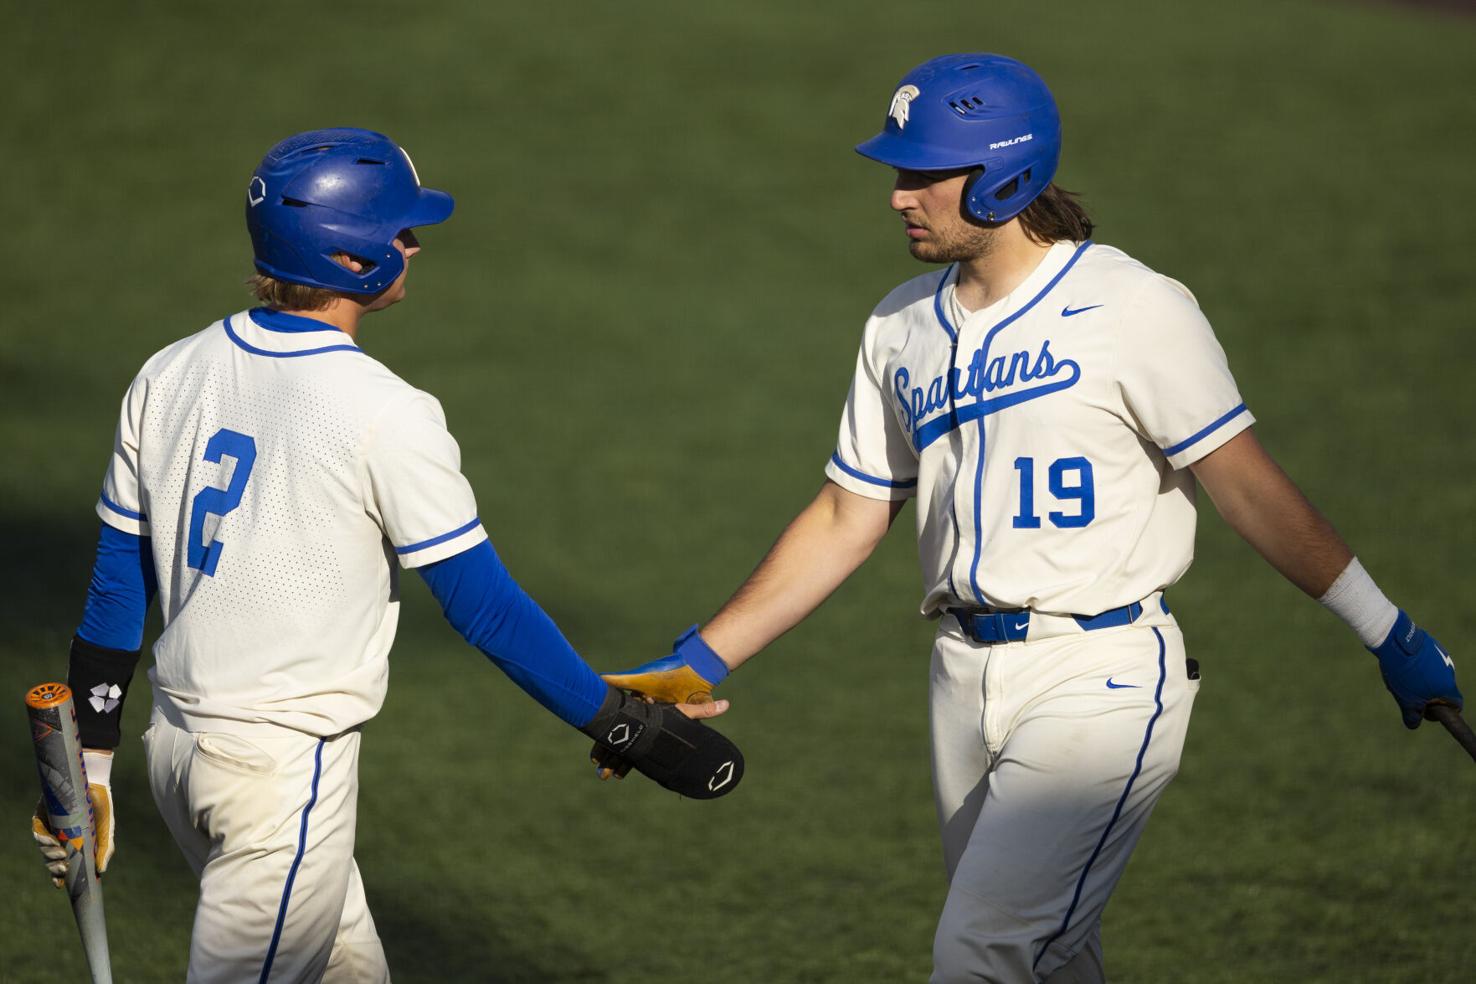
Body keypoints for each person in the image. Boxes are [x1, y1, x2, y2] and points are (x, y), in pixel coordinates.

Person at [596, 55, 1462, 983]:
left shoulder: (1134, 307)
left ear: (1003, 174)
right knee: (1050, 961)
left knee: (980, 956)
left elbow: (1247, 487)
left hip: (1101, 678)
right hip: (960, 681)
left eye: (924, 172)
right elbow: (849, 514)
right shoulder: (898, 327)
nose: (898, 196)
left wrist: (1389, 631)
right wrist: (696, 662)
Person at [31, 127, 741, 983]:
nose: (414, 245)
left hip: (177, 751)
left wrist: (92, 764)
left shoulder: (168, 372)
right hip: (279, 780)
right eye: (400, 232)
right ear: (352, 256)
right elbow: (483, 607)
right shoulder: (384, 411)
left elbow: (117, 586)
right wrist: (622, 725)